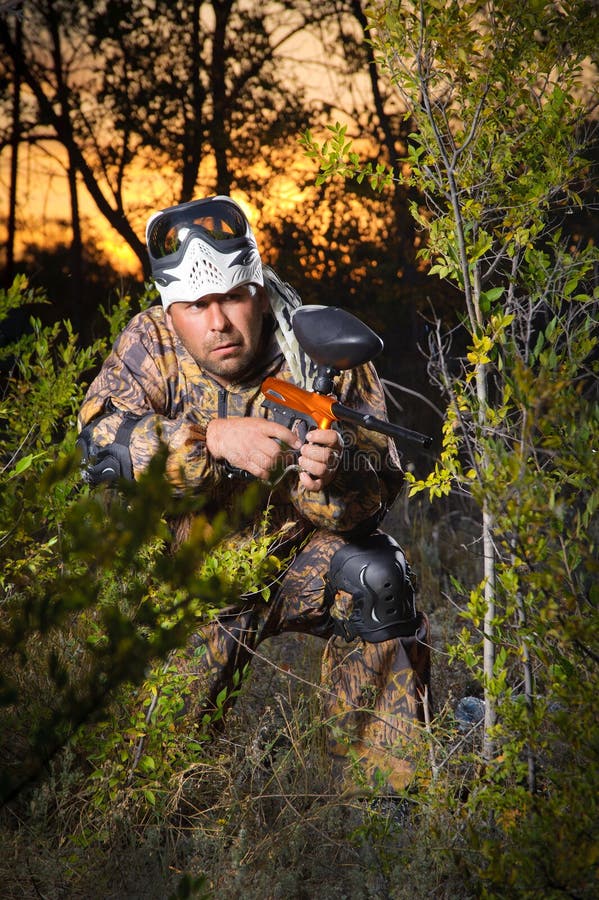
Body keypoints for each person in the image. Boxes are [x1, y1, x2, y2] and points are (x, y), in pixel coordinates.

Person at [77, 195, 431, 794]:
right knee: (150, 788)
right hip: (194, 576)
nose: (217, 322)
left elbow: (382, 477)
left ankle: (386, 802)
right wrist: (212, 439)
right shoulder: (151, 343)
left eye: (233, 298)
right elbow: (98, 444)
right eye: (195, 306)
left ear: (259, 290)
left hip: (299, 559)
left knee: (380, 578)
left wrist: (338, 467)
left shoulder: (319, 345)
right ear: (171, 309)